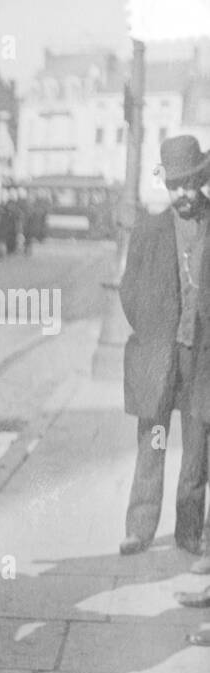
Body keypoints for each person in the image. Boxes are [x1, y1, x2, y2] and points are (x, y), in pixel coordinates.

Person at [119, 134, 210, 560]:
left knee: (197, 449)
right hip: (161, 359)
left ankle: (189, 532)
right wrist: (154, 331)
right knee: (153, 442)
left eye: (190, 184)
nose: (183, 194)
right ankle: (139, 528)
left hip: (203, 360)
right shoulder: (151, 229)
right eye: (175, 186)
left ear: (202, 180)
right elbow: (129, 292)